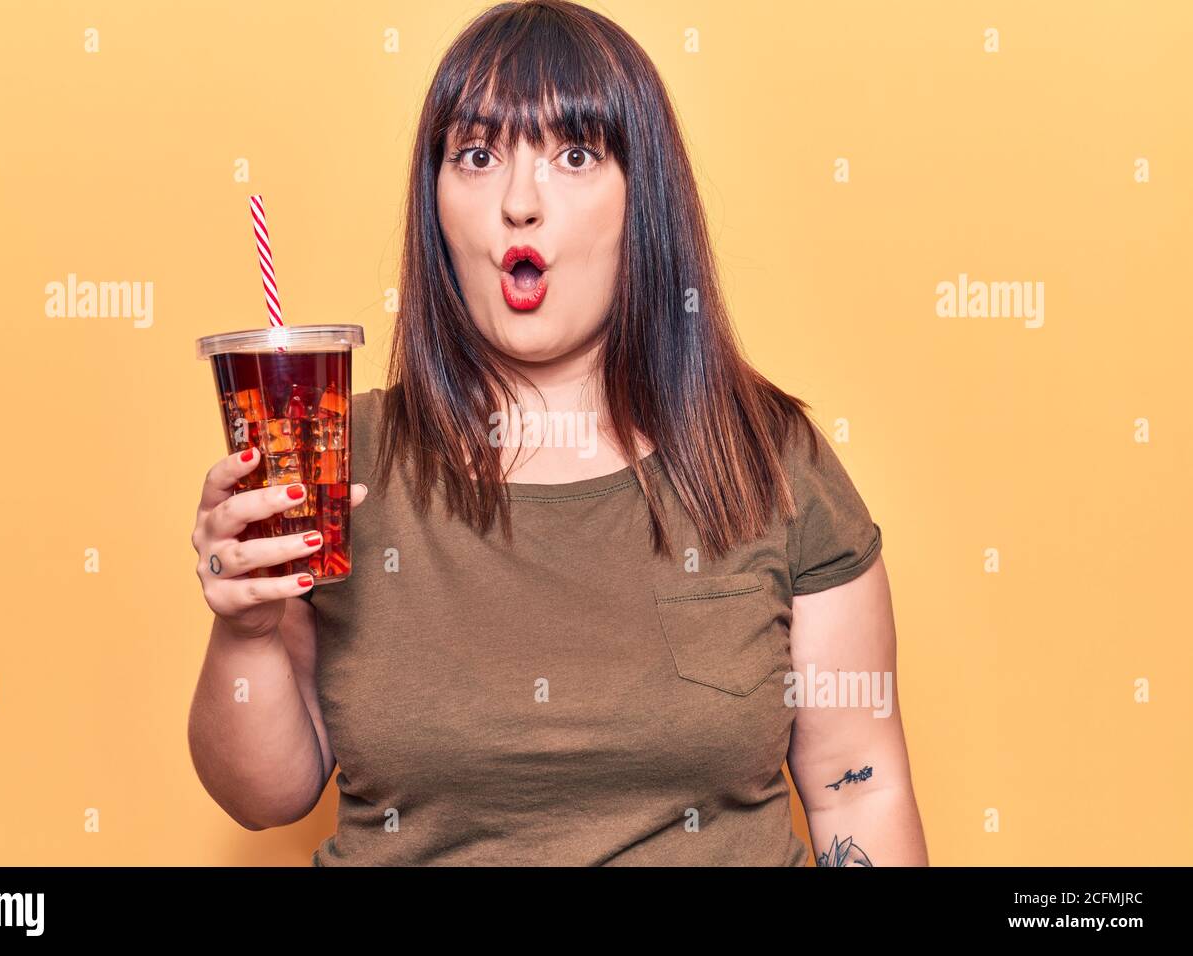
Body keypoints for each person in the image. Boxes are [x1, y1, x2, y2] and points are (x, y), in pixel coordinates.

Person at [188, 0, 927, 867]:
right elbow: (266, 798)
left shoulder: (768, 457)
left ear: (641, 200)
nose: (519, 203)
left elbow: (861, 781)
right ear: (436, 205)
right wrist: (244, 630)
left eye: (574, 155)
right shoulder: (329, 456)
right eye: (476, 155)